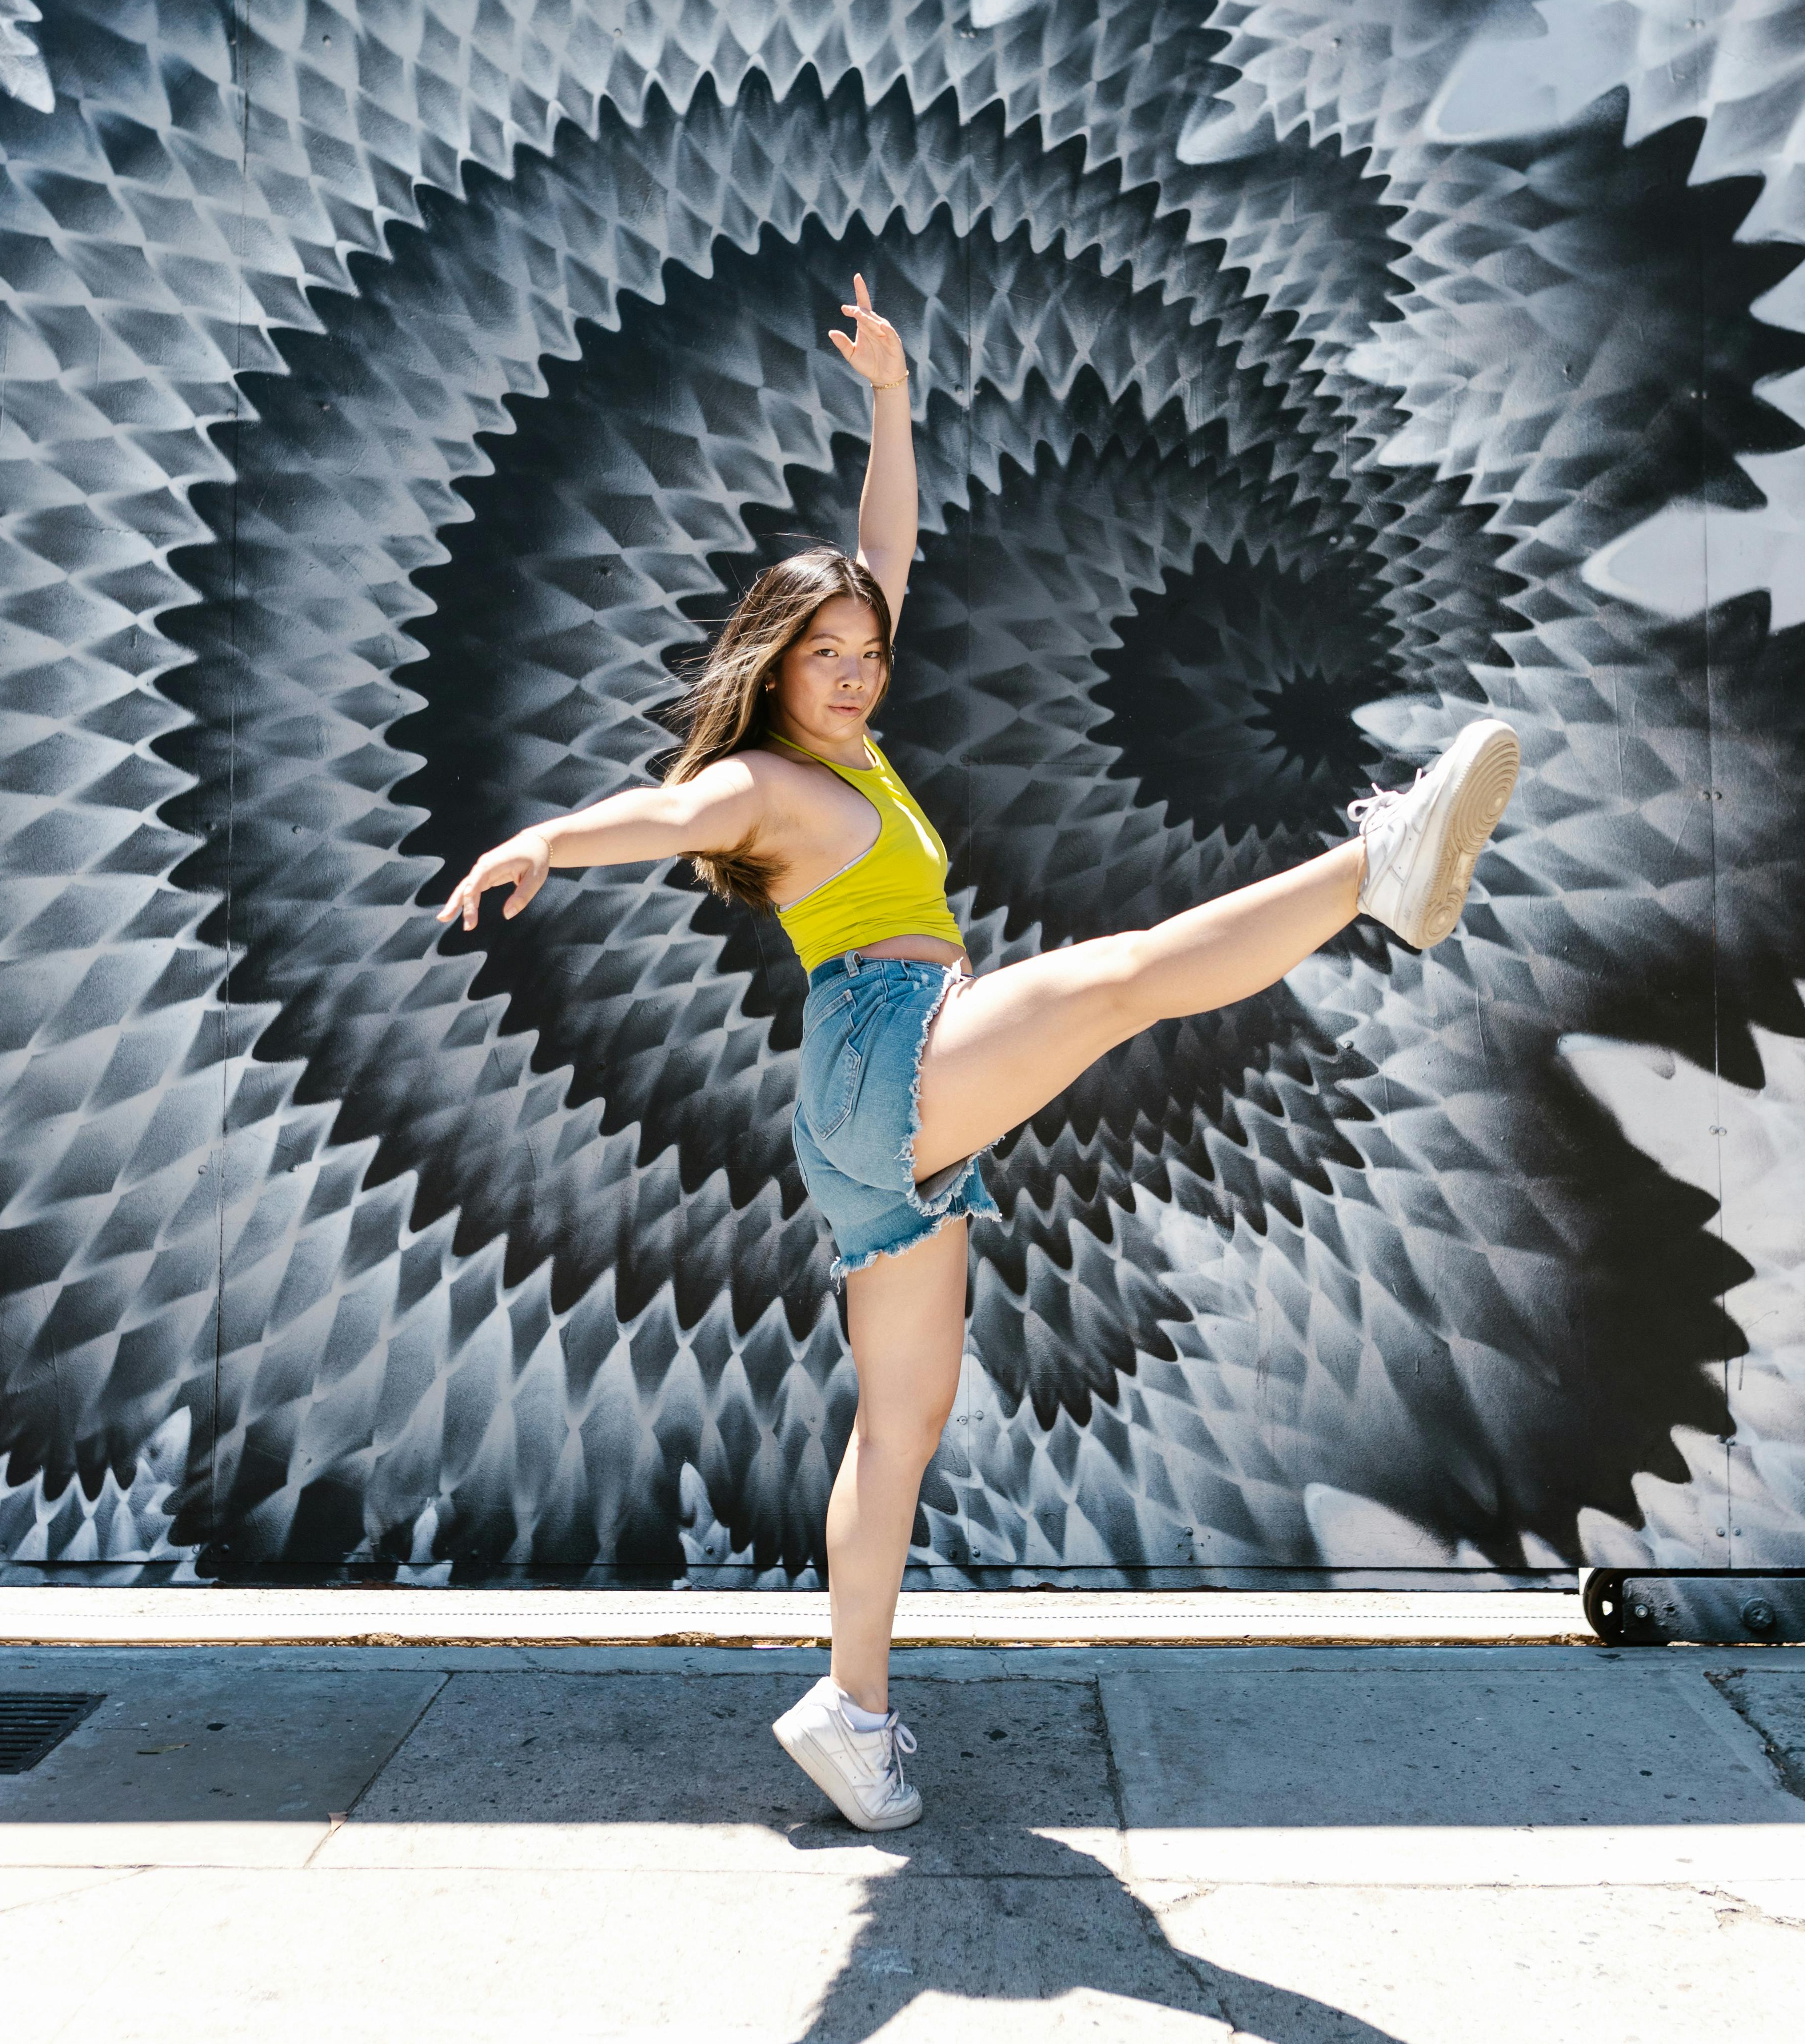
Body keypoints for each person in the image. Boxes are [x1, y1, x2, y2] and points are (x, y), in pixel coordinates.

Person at [439, 276, 1520, 1832]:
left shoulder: (852, 744)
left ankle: (852, 1712)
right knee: (1129, 980)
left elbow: (885, 552)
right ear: (772, 662)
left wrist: (889, 396)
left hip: (866, 1099)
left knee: (901, 1421)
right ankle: (1376, 866)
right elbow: (665, 815)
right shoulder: (766, 778)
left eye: (865, 653)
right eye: (824, 654)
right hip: (889, 1045)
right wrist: (551, 835)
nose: (857, 668)